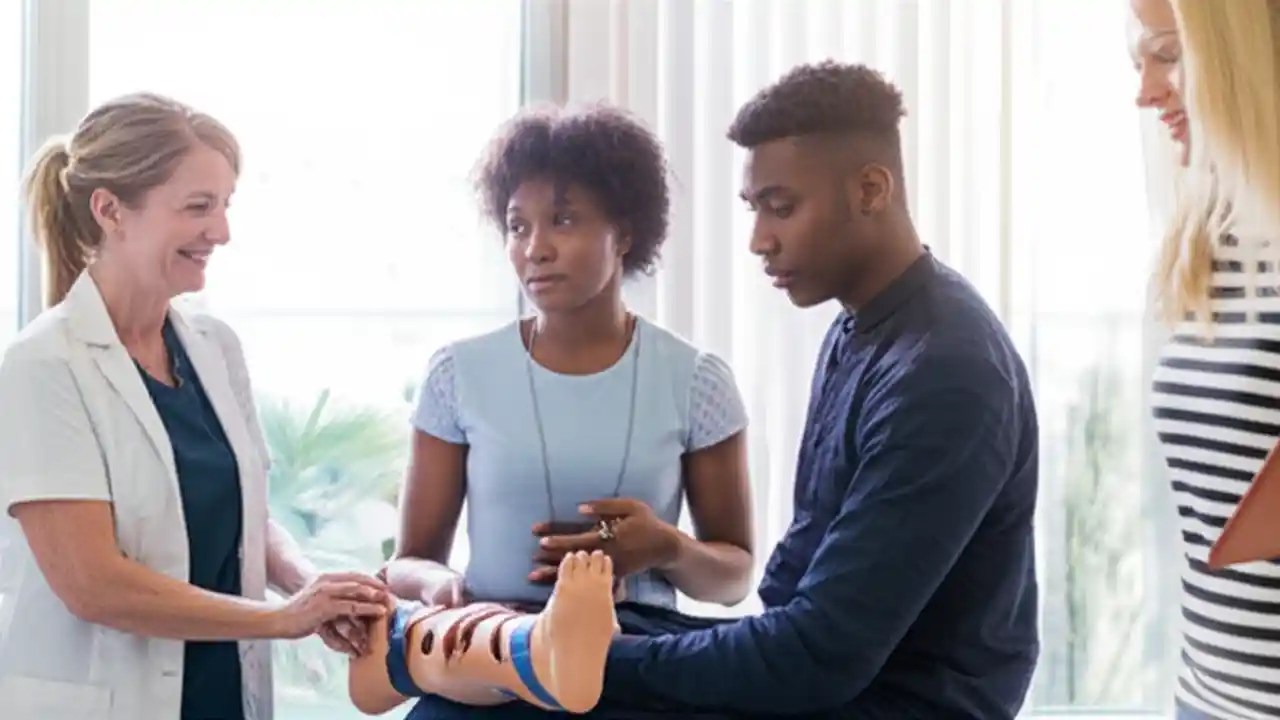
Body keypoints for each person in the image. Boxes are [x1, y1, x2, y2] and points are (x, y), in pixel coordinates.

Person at [392, 61, 1041, 720]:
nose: (759, 241)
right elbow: (794, 598)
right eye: (754, 210)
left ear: (871, 190)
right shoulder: (861, 330)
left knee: (516, 693)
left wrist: (544, 655)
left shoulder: (946, 374)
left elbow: (816, 656)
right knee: (487, 692)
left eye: (781, 208)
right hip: (821, 672)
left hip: (895, 702)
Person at [0, 92, 388, 720]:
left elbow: (248, 517)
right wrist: (280, 618)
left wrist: (308, 584)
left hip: (223, 698)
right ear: (110, 210)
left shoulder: (215, 348)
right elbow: (93, 584)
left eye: (225, 205)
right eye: (198, 207)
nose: (222, 231)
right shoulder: (43, 365)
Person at [383, 104, 754, 717]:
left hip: (633, 656)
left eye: (563, 220)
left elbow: (733, 579)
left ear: (624, 234)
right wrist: (440, 586)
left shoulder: (696, 380)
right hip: (495, 654)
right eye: (517, 226)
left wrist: (665, 546)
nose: (536, 248)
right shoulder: (457, 374)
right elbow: (408, 562)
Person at [1131, 1, 1280, 717]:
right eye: (1138, 62)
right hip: (1208, 696)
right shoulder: (1208, 238)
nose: (1146, 91)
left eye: (1168, 54)